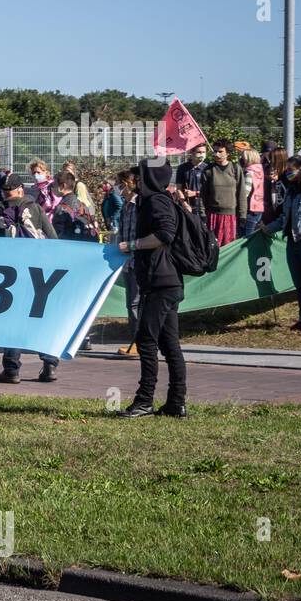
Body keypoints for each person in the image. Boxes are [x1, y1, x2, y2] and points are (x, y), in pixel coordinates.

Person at [118, 158, 188, 417]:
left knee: (146, 340)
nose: (135, 178)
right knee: (169, 344)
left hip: (161, 281)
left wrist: (133, 245)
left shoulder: (155, 201)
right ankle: (176, 402)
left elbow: (165, 234)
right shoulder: (158, 199)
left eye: (141, 174)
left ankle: (144, 400)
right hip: (164, 280)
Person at [0, 173, 60, 384]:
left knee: (13, 319)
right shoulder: (36, 208)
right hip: (38, 269)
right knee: (43, 317)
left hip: (10, 271)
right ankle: (49, 364)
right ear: (21, 189)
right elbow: (53, 238)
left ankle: (11, 369)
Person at [261, 157, 301, 335]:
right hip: (292, 242)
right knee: (299, 283)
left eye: (292, 170)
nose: (288, 173)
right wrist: (267, 229)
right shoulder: (292, 191)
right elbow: (285, 218)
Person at [112, 168, 141, 357]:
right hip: (128, 262)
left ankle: (141, 343)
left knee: (136, 304)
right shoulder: (126, 206)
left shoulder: (140, 205)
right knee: (132, 304)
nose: (118, 189)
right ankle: (137, 341)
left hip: (139, 261)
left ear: (129, 184)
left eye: (120, 185)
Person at [200, 139, 247, 247]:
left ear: (228, 153)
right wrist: (202, 214)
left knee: (228, 248)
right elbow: (203, 195)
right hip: (212, 216)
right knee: (212, 247)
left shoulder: (235, 169)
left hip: (230, 217)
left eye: (220, 151)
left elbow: (241, 194)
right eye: (215, 151)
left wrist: (242, 215)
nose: (216, 154)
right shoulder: (208, 170)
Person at [50, 170, 100, 242]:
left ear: (62, 186)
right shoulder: (82, 204)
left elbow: (58, 233)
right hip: (86, 244)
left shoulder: (61, 207)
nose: (52, 188)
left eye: (54, 185)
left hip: (69, 247)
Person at [174, 142, 209, 218]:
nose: (202, 155)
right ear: (192, 152)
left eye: (204, 152)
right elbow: (178, 189)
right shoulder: (182, 168)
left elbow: (211, 190)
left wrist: (195, 193)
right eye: (199, 152)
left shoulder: (208, 168)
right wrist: (184, 204)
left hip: (203, 207)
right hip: (186, 206)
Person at [239, 147, 265, 237]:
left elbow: (245, 193)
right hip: (259, 207)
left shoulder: (249, 173)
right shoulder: (260, 171)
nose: (240, 159)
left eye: (242, 157)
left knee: (247, 237)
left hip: (250, 209)